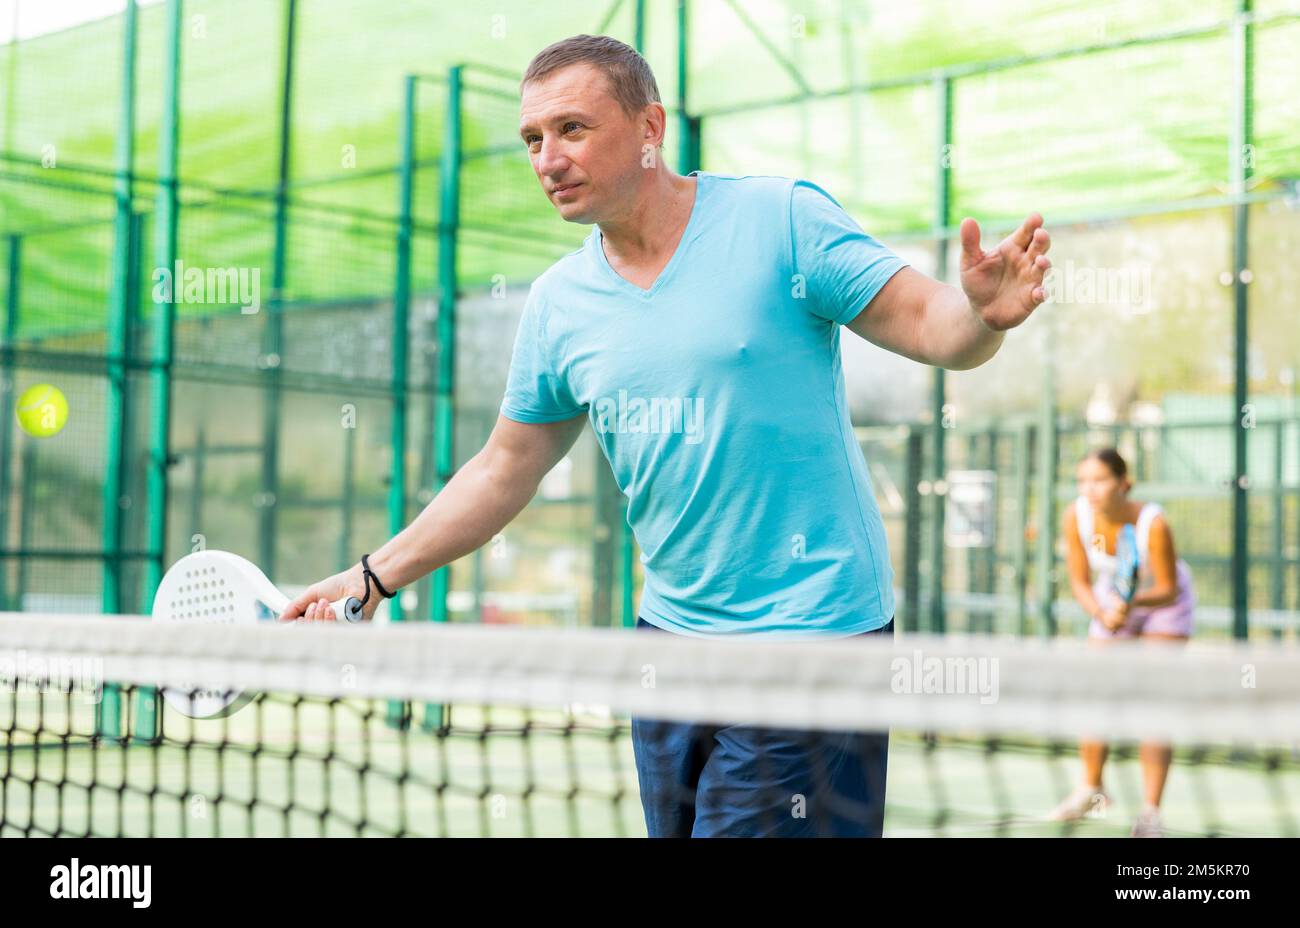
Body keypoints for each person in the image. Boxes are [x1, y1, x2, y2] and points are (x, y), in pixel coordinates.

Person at [280, 35, 1052, 836]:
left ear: (649, 127)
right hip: (671, 646)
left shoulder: (782, 220)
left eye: (572, 129)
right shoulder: (559, 305)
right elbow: (505, 467)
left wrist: (982, 317)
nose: (548, 159)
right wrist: (372, 577)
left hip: (813, 637)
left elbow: (932, 325)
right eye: (533, 139)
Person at [1051, 447, 1196, 838]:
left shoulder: (1154, 523)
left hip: (1164, 606)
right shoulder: (1076, 516)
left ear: (1124, 484)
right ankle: (1092, 789)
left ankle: (1150, 814)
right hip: (1111, 599)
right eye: (1082, 481)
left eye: (1099, 480)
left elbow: (1167, 588)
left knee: (1154, 702)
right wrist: (1102, 613)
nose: (1089, 489)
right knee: (1094, 691)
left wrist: (1129, 603)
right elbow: (1079, 581)